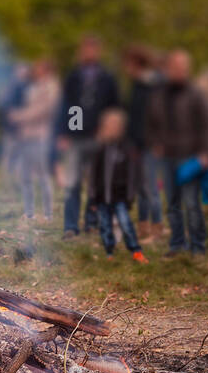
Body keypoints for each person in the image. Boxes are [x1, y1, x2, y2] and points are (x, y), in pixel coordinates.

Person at [146, 49, 208, 256]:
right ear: (168, 69)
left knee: (192, 203)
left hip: (190, 155)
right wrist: (155, 143)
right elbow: (151, 123)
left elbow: (207, 125)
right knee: (173, 203)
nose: (179, 71)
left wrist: (206, 152)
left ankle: (198, 246)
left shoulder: (196, 94)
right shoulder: (158, 95)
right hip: (166, 156)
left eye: (183, 68)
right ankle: (176, 244)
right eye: (175, 67)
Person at [58, 36, 120, 237]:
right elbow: (66, 105)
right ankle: (70, 225)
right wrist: (64, 132)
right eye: (85, 49)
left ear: (98, 51)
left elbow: (114, 107)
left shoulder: (107, 78)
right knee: (72, 183)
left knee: (95, 183)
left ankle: (91, 222)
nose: (89, 53)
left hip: (98, 137)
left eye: (93, 49)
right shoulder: (73, 77)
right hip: (76, 138)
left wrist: (109, 131)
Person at [85, 109, 144, 262]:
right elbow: (92, 174)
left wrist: (130, 196)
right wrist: (92, 197)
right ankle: (109, 251)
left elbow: (132, 174)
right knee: (105, 225)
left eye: (116, 126)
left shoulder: (127, 148)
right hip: (101, 197)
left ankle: (136, 250)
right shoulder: (99, 148)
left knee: (125, 223)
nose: (112, 129)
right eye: (109, 126)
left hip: (121, 197)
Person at [7, 57, 59, 222]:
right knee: (25, 176)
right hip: (27, 136)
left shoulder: (51, 86)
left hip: (41, 136)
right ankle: (29, 213)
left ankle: (48, 214)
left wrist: (20, 116)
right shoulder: (34, 86)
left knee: (43, 175)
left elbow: (44, 110)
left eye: (39, 67)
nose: (35, 70)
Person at [123, 45, 163, 241]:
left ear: (136, 63)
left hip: (150, 144)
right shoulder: (136, 85)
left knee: (151, 188)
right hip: (135, 144)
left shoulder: (153, 85)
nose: (125, 67)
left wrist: (157, 142)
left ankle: (157, 228)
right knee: (141, 188)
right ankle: (143, 227)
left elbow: (158, 116)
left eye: (128, 63)